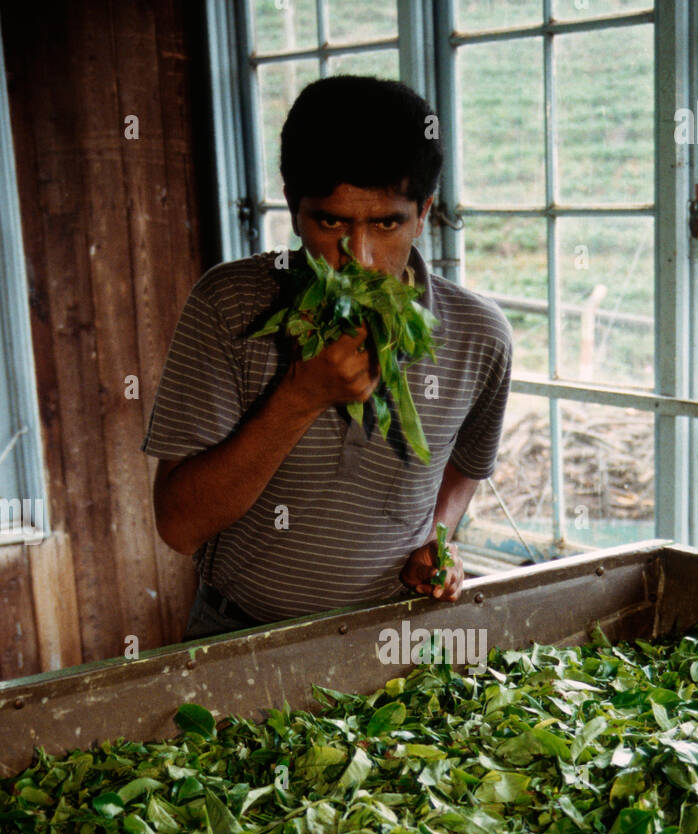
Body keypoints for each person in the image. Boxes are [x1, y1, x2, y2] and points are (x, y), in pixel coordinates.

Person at [143, 75, 513, 640]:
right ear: (293, 208)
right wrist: (301, 397)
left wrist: (434, 541)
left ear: (424, 212)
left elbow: (466, 465)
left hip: (397, 639)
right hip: (238, 635)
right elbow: (179, 525)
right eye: (331, 221)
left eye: (386, 223)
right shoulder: (228, 305)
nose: (358, 258)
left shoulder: (480, 335)